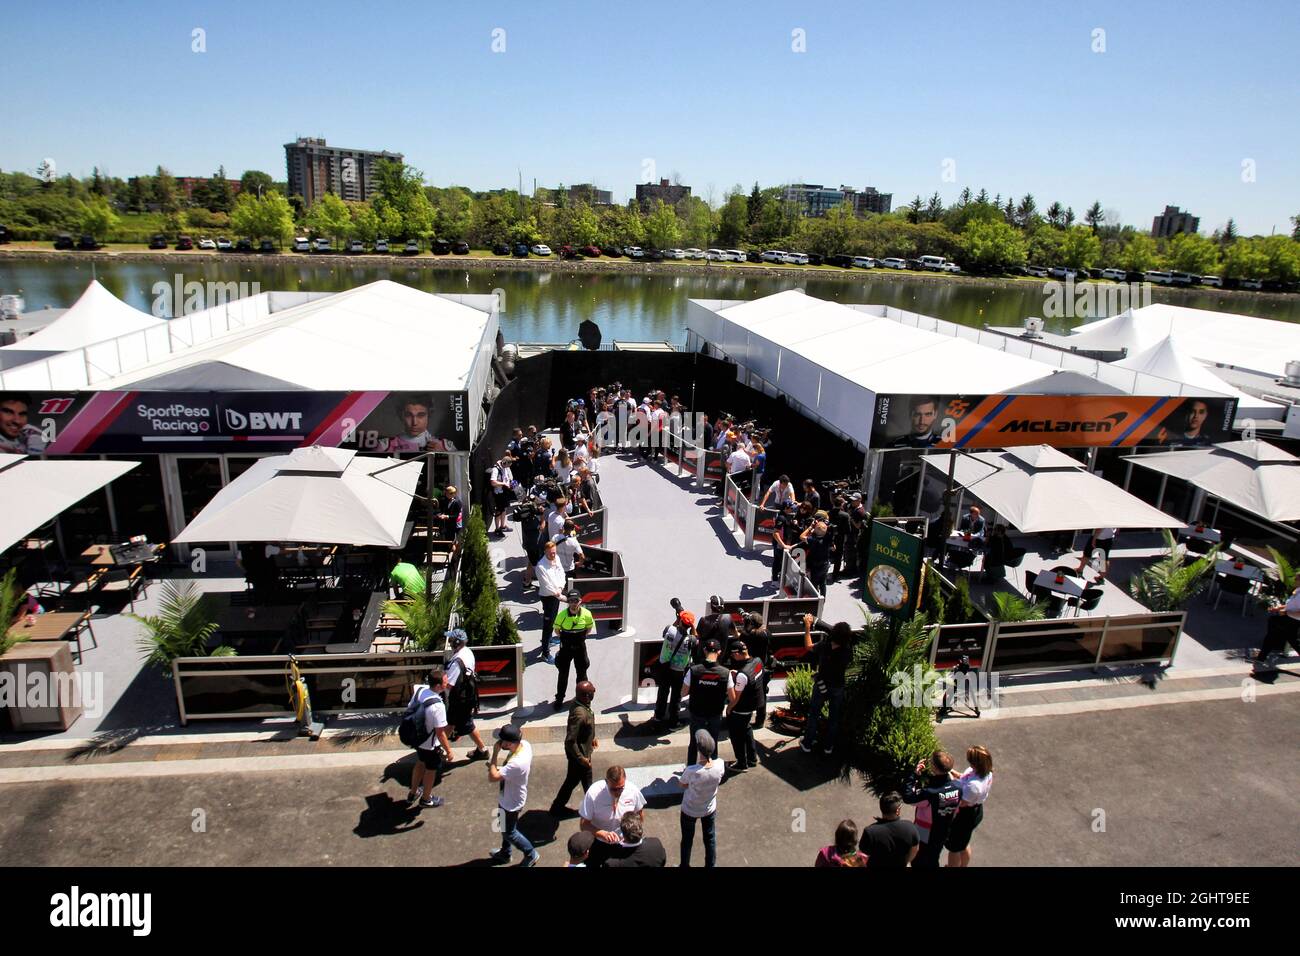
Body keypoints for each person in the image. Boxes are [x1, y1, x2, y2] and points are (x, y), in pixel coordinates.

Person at [799, 615, 852, 756]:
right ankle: (828, 746)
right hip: (838, 686)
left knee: (814, 715)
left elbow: (808, 646)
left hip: (822, 684)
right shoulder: (848, 651)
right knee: (834, 718)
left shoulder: (825, 647)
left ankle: (808, 743)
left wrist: (808, 628)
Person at [487, 725, 539, 866]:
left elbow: (492, 777)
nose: (499, 743)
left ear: (509, 744)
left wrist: (495, 754)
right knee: (504, 826)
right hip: (508, 797)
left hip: (511, 802)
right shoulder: (525, 745)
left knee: (509, 832)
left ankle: (531, 853)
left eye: (501, 741)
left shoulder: (517, 763)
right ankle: (505, 852)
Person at [902, 750, 962, 868]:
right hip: (944, 830)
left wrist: (913, 775)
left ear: (935, 767)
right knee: (933, 858)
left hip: (925, 831)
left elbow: (908, 798)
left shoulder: (931, 793)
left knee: (919, 861)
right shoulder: (958, 786)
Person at [405, 667, 452, 808]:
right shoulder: (438, 706)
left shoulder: (420, 690)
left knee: (420, 763)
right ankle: (426, 799)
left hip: (417, 739)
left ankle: (413, 792)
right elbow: (440, 733)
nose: (447, 683)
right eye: (445, 682)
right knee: (431, 771)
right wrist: (449, 751)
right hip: (430, 745)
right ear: (438, 686)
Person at [580, 766, 647, 866]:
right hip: (598, 842)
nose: (618, 792)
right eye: (614, 789)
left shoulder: (633, 791)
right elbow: (583, 825)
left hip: (624, 843)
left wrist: (630, 836)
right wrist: (600, 833)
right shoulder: (593, 793)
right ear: (606, 782)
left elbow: (640, 816)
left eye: (621, 788)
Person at [550, 680, 598, 816]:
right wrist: (581, 758)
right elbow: (570, 741)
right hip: (580, 756)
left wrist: (592, 737)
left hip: (582, 753)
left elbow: (586, 726)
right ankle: (593, 810)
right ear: (587, 696)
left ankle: (557, 807)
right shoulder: (580, 714)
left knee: (572, 781)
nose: (594, 691)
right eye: (592, 691)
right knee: (585, 782)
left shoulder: (580, 703)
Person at [682, 638, 732, 766]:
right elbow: (732, 697)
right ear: (719, 652)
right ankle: (712, 771)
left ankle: (690, 771)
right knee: (712, 742)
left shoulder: (694, 670)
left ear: (704, 650)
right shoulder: (726, 673)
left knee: (694, 743)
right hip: (715, 714)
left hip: (697, 713)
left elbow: (683, 693)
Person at [678, 729, 724, 867]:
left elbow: (682, 784)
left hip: (690, 809)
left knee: (687, 839)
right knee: (710, 838)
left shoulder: (692, 770)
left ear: (698, 749)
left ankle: (684, 865)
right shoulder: (720, 765)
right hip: (709, 809)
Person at [443, 629, 489, 760]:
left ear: (456, 642)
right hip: (467, 696)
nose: (449, 642)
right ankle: (482, 749)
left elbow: (449, 685)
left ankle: (437, 748)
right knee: (459, 724)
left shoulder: (457, 662)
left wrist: (436, 684)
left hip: (460, 700)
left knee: (460, 724)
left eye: (451, 640)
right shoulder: (467, 652)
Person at [946, 745, 993, 867]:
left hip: (965, 816)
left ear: (976, 764)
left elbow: (961, 803)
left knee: (954, 848)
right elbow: (963, 777)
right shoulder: (985, 772)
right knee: (963, 843)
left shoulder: (974, 786)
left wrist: (947, 783)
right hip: (974, 811)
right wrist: (951, 771)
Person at [655, 605, 696, 728]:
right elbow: (697, 637)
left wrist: (678, 619)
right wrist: (692, 626)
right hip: (679, 671)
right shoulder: (691, 639)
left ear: (679, 621)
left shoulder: (670, 629)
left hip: (664, 667)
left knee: (662, 693)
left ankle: (658, 718)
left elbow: (668, 631)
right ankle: (674, 721)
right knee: (676, 696)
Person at [553, 590, 595, 709]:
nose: (573, 603)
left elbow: (589, 628)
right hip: (566, 648)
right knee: (563, 674)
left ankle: (583, 699)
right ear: (568, 602)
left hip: (580, 647)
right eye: (570, 601)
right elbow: (557, 630)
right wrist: (566, 639)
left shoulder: (587, 614)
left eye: (575, 601)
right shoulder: (561, 615)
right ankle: (559, 698)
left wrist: (579, 638)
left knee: (582, 673)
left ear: (580, 601)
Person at [725, 640, 762, 773]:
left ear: (738, 653)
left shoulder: (742, 675)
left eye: (734, 655)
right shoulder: (757, 661)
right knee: (747, 730)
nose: (733, 658)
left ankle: (741, 763)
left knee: (736, 736)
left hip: (741, 708)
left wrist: (729, 708)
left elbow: (736, 697)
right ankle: (752, 758)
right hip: (753, 704)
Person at [860, 792, 920, 868]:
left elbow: (864, 855)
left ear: (881, 807)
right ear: (898, 810)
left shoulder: (870, 832)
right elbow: (915, 849)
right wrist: (906, 862)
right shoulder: (910, 828)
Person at [1253, 581, 1300, 671]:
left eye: (1297, 579)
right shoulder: (1298, 590)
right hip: (1288, 618)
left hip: (1291, 620)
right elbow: (1291, 604)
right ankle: (1260, 658)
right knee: (1290, 640)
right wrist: (1279, 608)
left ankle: (1261, 658)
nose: (1294, 580)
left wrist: (1286, 612)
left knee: (1273, 635)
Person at [385, 396, 456, 453]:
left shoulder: (445, 446)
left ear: (429, 414)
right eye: (408, 415)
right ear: (401, 416)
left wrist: (443, 453)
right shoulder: (385, 446)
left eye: (421, 415)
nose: (414, 423)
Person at [535, 540, 567, 661]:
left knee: (553, 620)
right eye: (550, 554)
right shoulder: (540, 566)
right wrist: (561, 597)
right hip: (548, 598)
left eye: (554, 553)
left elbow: (561, 574)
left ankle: (547, 640)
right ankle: (545, 653)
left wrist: (560, 588)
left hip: (557, 594)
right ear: (545, 552)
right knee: (548, 625)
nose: (553, 555)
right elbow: (547, 586)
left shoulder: (556, 558)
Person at [740, 613, 772, 729]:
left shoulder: (749, 635)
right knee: (762, 694)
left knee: (747, 694)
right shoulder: (766, 633)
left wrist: (745, 625)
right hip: (763, 668)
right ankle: (760, 720)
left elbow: (742, 636)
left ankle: (745, 719)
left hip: (752, 668)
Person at [800, 515, 835, 595]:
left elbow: (801, 536)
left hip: (815, 566)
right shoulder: (828, 539)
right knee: (823, 583)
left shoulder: (813, 540)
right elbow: (833, 548)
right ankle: (823, 599)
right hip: (825, 564)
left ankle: (815, 600)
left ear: (815, 530)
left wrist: (810, 527)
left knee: (814, 583)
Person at [771, 500, 800, 584]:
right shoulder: (781, 518)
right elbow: (775, 533)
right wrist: (783, 545)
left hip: (780, 543)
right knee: (779, 562)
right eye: (791, 508)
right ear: (786, 508)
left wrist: (792, 523)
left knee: (778, 561)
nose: (792, 509)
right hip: (779, 544)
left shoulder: (784, 515)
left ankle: (775, 578)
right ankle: (775, 580)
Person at [552, 518, 585, 588]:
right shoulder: (574, 541)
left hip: (557, 568)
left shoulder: (555, 538)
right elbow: (582, 556)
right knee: (569, 588)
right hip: (569, 570)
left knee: (558, 587)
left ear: (563, 527)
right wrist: (579, 563)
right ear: (573, 529)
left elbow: (549, 549)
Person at [488, 454, 516, 534]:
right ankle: (497, 529)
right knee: (499, 511)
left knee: (504, 509)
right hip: (499, 493)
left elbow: (507, 477)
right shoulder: (495, 469)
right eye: (507, 466)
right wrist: (503, 484)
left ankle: (503, 526)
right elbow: (493, 482)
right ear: (504, 463)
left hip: (505, 492)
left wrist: (511, 483)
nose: (507, 468)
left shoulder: (505, 467)